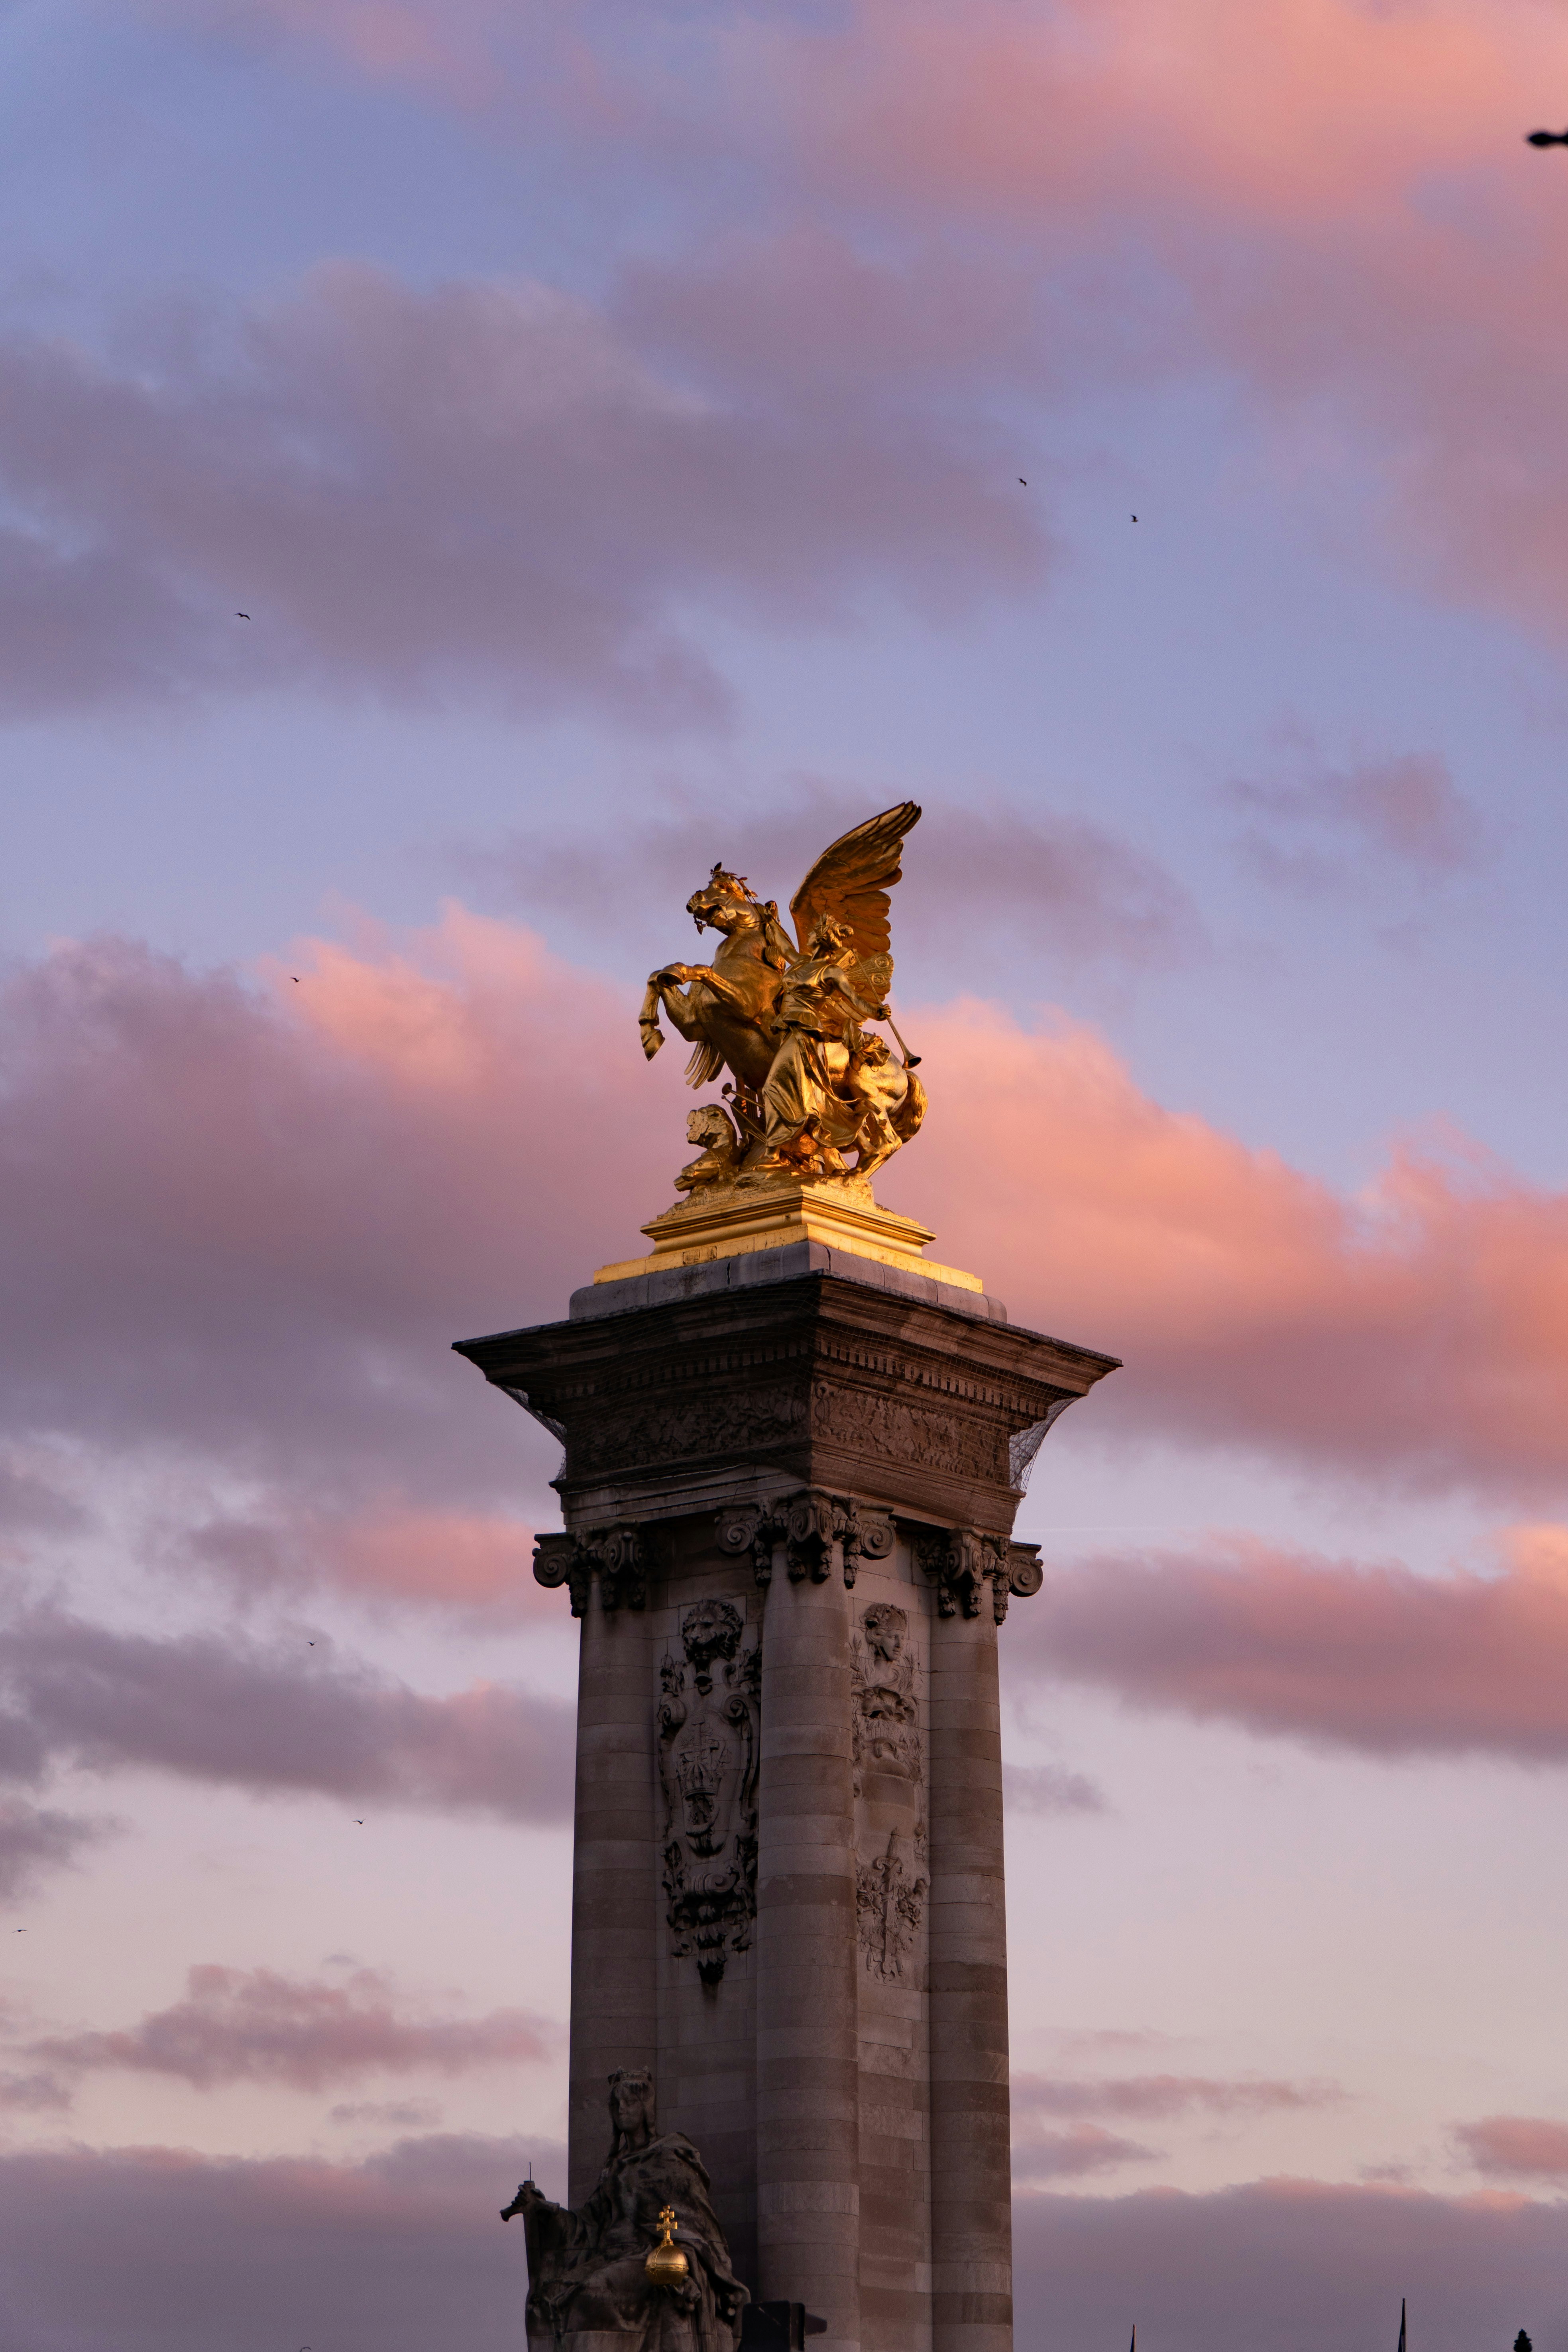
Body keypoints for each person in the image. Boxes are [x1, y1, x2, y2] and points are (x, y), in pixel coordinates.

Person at [502, 2068, 749, 2350]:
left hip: (643, 2257)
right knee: (545, 2298)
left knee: (589, 2296)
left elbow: (698, 2225)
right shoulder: (616, 2166)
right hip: (607, 2257)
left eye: (629, 2103)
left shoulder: (669, 2157)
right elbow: (589, 2224)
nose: (622, 2110)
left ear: (645, 2108)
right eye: (616, 2105)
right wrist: (545, 2209)